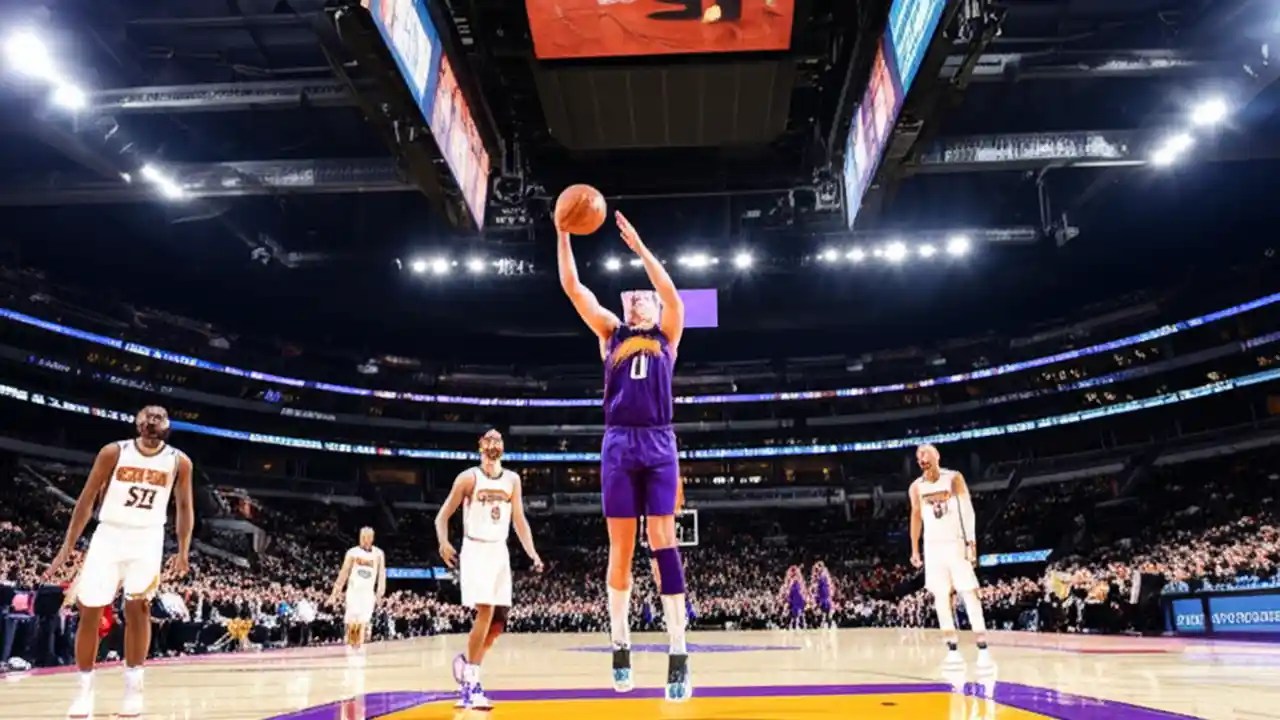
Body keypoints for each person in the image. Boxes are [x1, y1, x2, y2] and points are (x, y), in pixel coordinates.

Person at [557, 210, 692, 701]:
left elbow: (674, 294)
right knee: (622, 547)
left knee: (662, 537)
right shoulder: (609, 334)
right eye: (632, 299)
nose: (640, 303)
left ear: (653, 307)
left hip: (658, 440)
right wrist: (562, 233)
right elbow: (574, 289)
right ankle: (620, 646)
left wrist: (640, 248)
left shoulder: (668, 338)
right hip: (617, 440)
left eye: (646, 299)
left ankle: (678, 650)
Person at [46, 405, 194, 719]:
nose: (152, 420)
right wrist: (67, 546)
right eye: (147, 415)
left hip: (148, 537)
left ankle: (133, 691)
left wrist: (183, 550)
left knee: (138, 608)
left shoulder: (179, 461)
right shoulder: (114, 452)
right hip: (109, 534)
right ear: (137, 421)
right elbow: (86, 498)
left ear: (168, 424)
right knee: (90, 611)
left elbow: (184, 507)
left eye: (159, 416)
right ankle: (84, 692)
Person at [436, 429, 543, 710]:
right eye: (489, 440)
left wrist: (532, 553)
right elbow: (442, 516)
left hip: (499, 550)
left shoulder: (512, 480)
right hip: (476, 548)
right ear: (480, 446)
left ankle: (466, 662)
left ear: (503, 448)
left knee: (498, 622)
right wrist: (444, 542)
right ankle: (471, 685)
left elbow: (519, 520)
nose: (494, 443)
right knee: (485, 610)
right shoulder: (469, 477)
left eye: (498, 440)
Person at [909, 444, 994, 669]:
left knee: (969, 592)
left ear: (937, 456)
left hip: (956, 542)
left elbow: (967, 510)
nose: (922, 459)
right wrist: (915, 549)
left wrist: (971, 542)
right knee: (941, 596)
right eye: (918, 457)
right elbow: (916, 517)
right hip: (933, 547)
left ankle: (982, 645)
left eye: (925, 454)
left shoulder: (954, 478)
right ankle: (952, 647)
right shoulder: (916, 487)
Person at [327, 527, 386, 661]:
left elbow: (382, 574)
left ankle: (358, 650)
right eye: (362, 536)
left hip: (367, 593)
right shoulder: (352, 553)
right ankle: (352, 652)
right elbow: (343, 573)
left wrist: (379, 593)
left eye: (368, 537)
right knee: (353, 621)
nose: (365, 539)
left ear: (372, 538)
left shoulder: (378, 554)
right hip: (354, 591)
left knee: (364, 623)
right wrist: (334, 593)